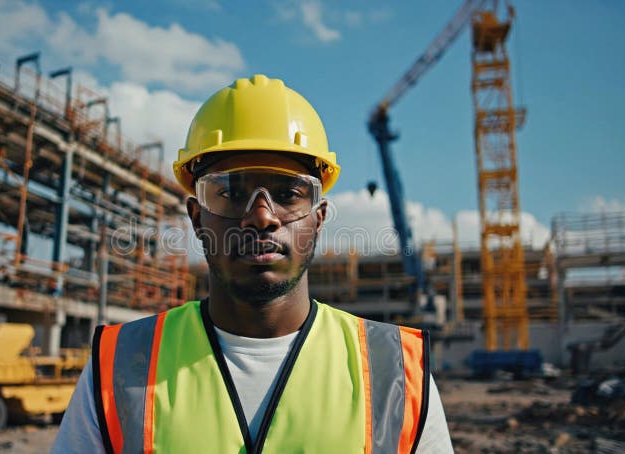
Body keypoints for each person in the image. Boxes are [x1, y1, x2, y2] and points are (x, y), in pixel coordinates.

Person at [52, 74, 453, 453]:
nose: (262, 215)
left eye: (289, 192)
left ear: (319, 217)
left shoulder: (398, 375)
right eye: (229, 191)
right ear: (196, 217)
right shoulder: (118, 368)